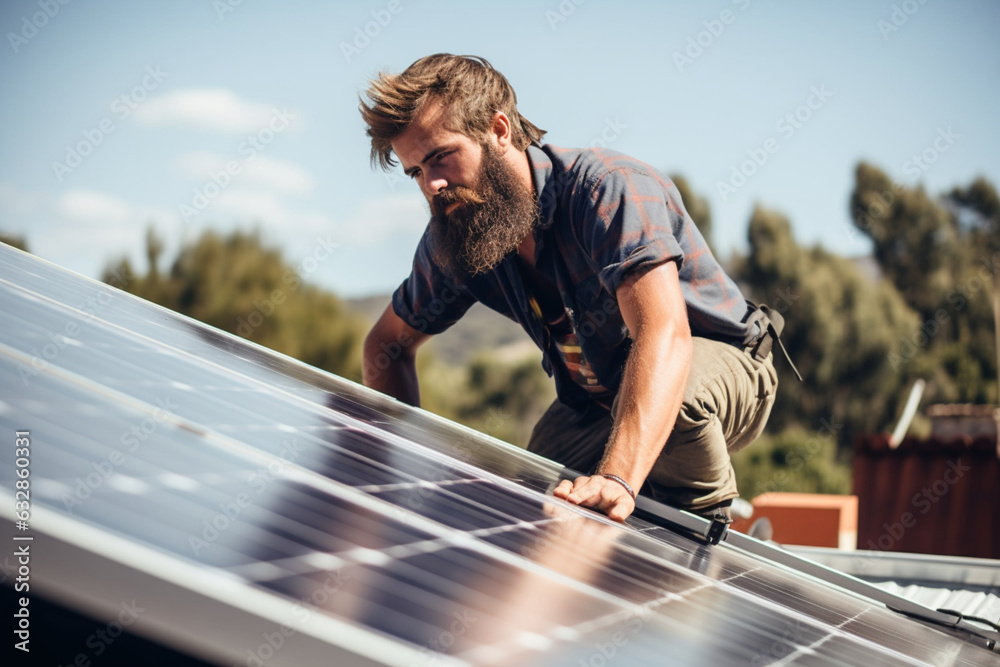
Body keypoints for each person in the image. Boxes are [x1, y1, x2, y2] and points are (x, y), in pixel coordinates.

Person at [359, 53, 787, 523]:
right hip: (598, 399)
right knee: (529, 490)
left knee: (676, 407)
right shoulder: (456, 238)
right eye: (415, 171)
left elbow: (664, 333)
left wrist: (617, 479)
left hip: (724, 366)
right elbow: (388, 345)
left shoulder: (607, 189)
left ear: (499, 130)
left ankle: (698, 532)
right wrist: (399, 460)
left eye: (441, 156)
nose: (432, 185)